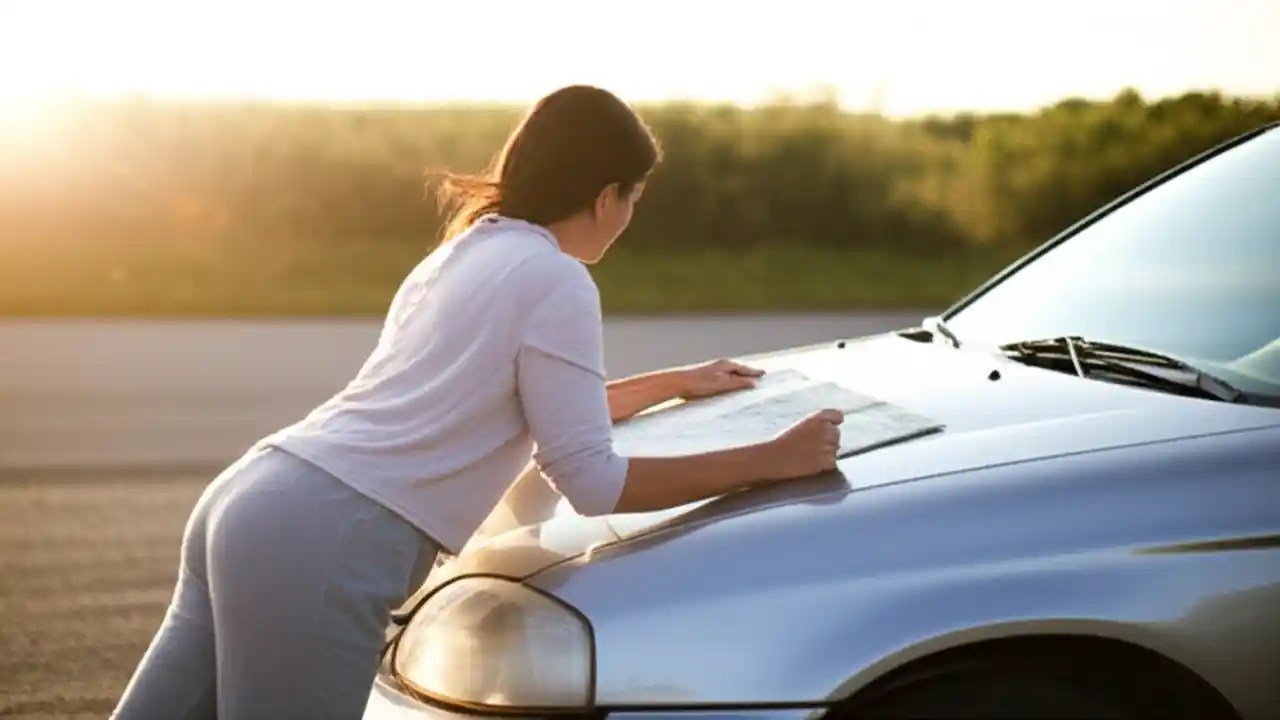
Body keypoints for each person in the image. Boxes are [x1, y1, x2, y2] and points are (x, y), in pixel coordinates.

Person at [112, 85, 844, 719]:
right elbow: (591, 480)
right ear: (605, 197)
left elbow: (541, 411)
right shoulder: (557, 281)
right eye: (634, 199)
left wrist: (674, 382)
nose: (630, 217)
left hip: (252, 499)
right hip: (323, 539)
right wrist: (773, 460)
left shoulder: (468, 251)